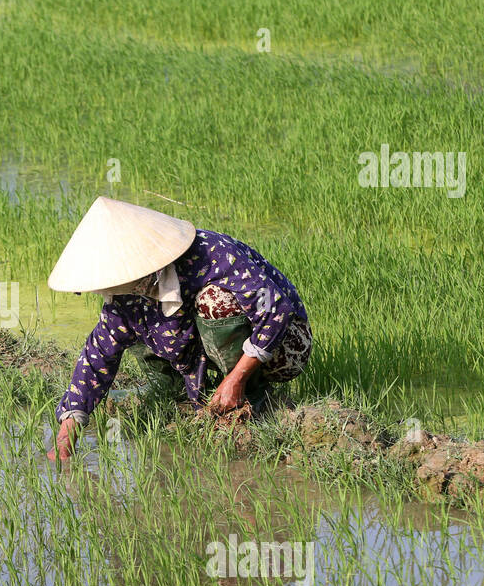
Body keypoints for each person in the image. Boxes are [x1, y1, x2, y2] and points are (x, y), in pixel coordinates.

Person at [46, 197, 311, 461]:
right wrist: (68, 432)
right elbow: (99, 354)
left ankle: (248, 393)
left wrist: (235, 379)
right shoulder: (127, 293)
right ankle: (183, 388)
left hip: (283, 345)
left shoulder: (212, 253)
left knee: (214, 299)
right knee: (131, 321)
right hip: (204, 348)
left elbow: (276, 310)